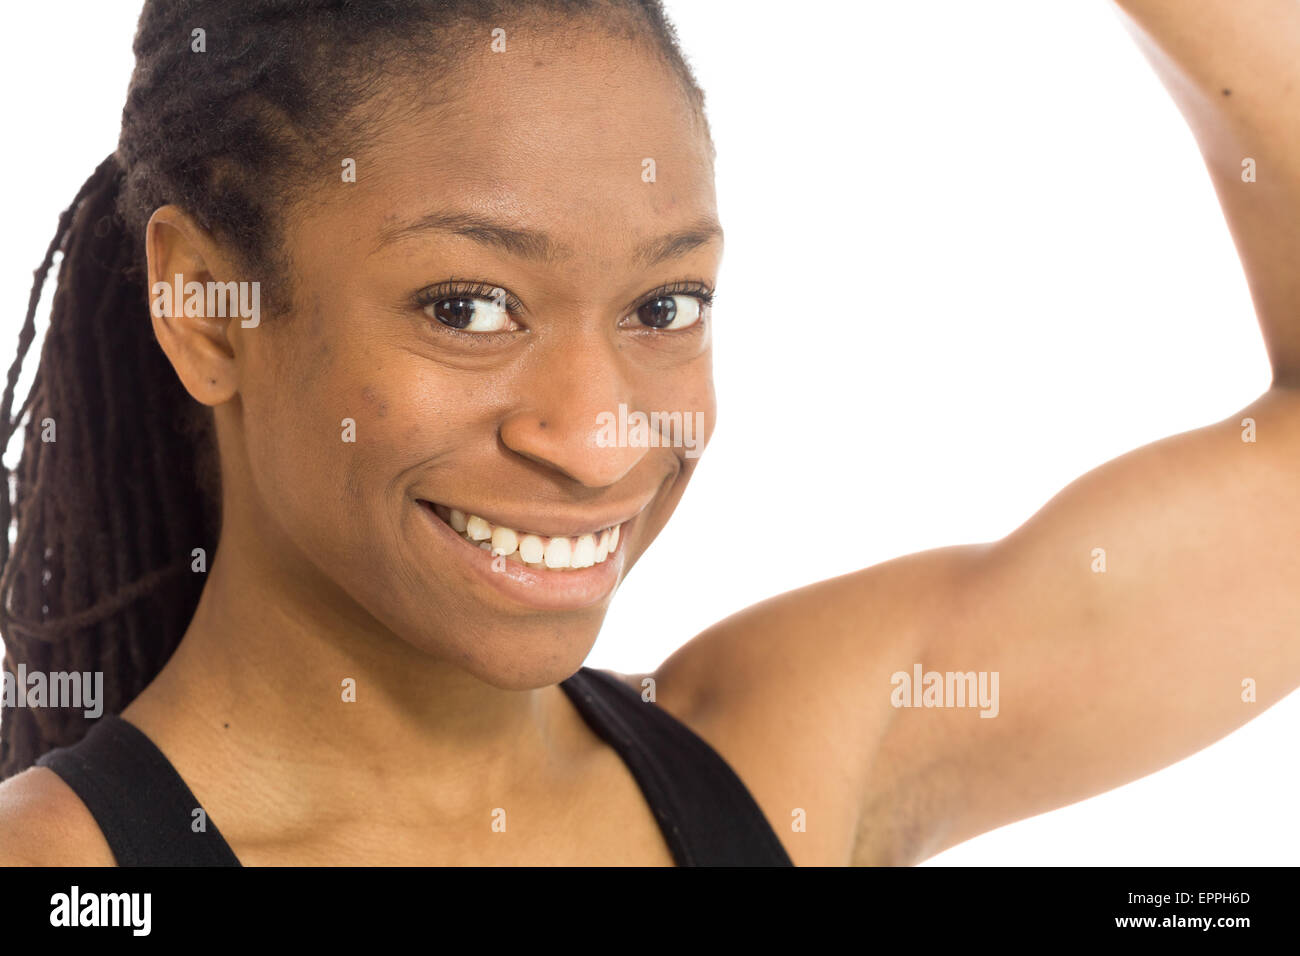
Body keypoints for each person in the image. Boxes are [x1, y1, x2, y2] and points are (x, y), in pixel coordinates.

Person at [0, 0, 1296, 866]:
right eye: (470, 306)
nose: (599, 439)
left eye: (664, 305)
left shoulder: (778, 757)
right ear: (208, 310)